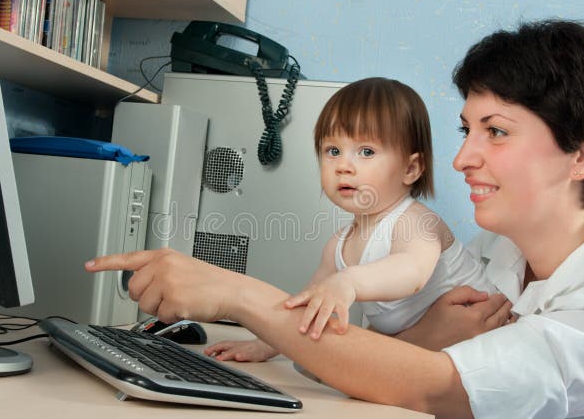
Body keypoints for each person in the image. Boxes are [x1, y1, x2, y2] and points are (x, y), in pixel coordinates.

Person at [86, 19, 584, 419]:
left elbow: (438, 388)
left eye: (497, 132)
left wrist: (241, 296)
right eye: (467, 129)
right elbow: (427, 362)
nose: (462, 158)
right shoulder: (504, 245)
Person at [203, 77, 493, 364]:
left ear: (411, 168)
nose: (343, 166)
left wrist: (348, 281)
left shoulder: (415, 222)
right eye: (333, 151)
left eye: (366, 152)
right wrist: (266, 344)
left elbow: (412, 271)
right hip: (432, 356)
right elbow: (309, 303)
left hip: (487, 345)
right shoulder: (338, 246)